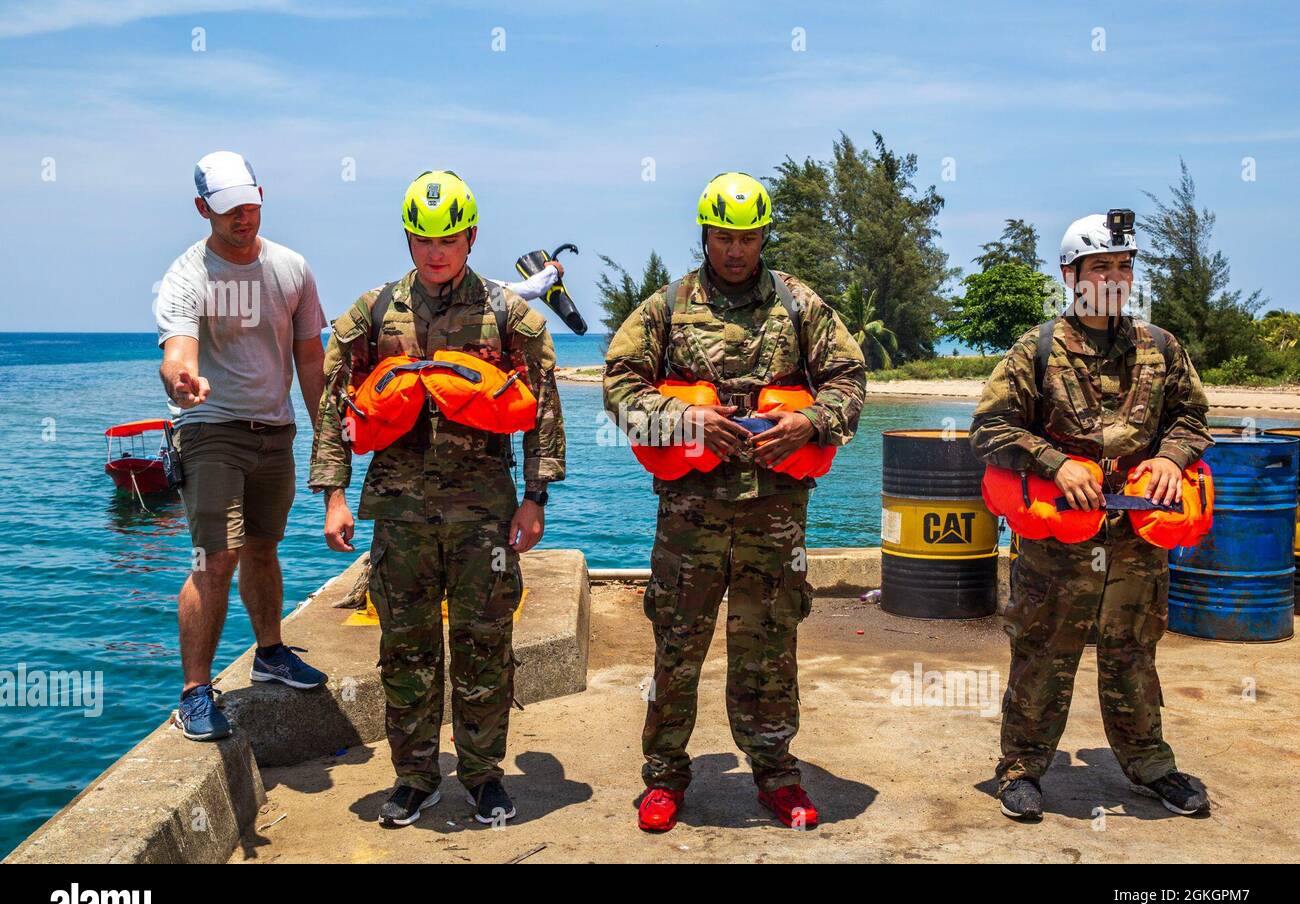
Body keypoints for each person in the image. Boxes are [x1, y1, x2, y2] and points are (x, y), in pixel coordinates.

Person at [603, 172, 866, 832]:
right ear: (704, 234)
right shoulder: (666, 306)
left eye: (748, 238)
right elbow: (619, 384)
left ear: (762, 236)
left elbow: (849, 379)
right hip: (690, 513)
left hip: (774, 514)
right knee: (677, 646)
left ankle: (776, 772)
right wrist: (683, 420)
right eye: (724, 237)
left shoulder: (799, 305)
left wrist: (810, 423)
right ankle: (664, 776)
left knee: (770, 647)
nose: (736, 251)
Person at [309, 170, 566, 827]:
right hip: (400, 514)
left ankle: (483, 776)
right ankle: (416, 776)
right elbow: (333, 400)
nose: (435, 251)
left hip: (485, 511)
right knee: (406, 649)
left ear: (472, 236)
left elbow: (542, 404)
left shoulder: (508, 313)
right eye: (422, 238)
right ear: (407, 237)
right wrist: (333, 494)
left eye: (449, 238)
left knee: (484, 645)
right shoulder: (372, 311)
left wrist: (536, 495)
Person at [969, 211, 1214, 820]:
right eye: (1100, 265)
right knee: (1043, 650)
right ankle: (1021, 770)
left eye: (1123, 266)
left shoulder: (1160, 347)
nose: (1113, 277)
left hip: (1136, 538)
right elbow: (988, 430)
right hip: (1060, 541)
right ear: (1071, 274)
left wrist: (1170, 458)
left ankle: (1150, 765)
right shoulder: (1038, 348)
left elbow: (1191, 418)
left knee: (1133, 651)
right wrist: (1053, 463)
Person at [156, 150, 328, 742]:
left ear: (262, 193)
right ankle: (195, 692)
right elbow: (176, 350)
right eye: (228, 209)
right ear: (203, 209)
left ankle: (270, 653)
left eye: (249, 204)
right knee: (215, 558)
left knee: (262, 547)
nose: (242, 217)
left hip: (274, 432)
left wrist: (324, 429)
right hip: (210, 429)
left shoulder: (291, 268)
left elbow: (309, 357)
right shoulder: (186, 275)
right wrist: (181, 378)